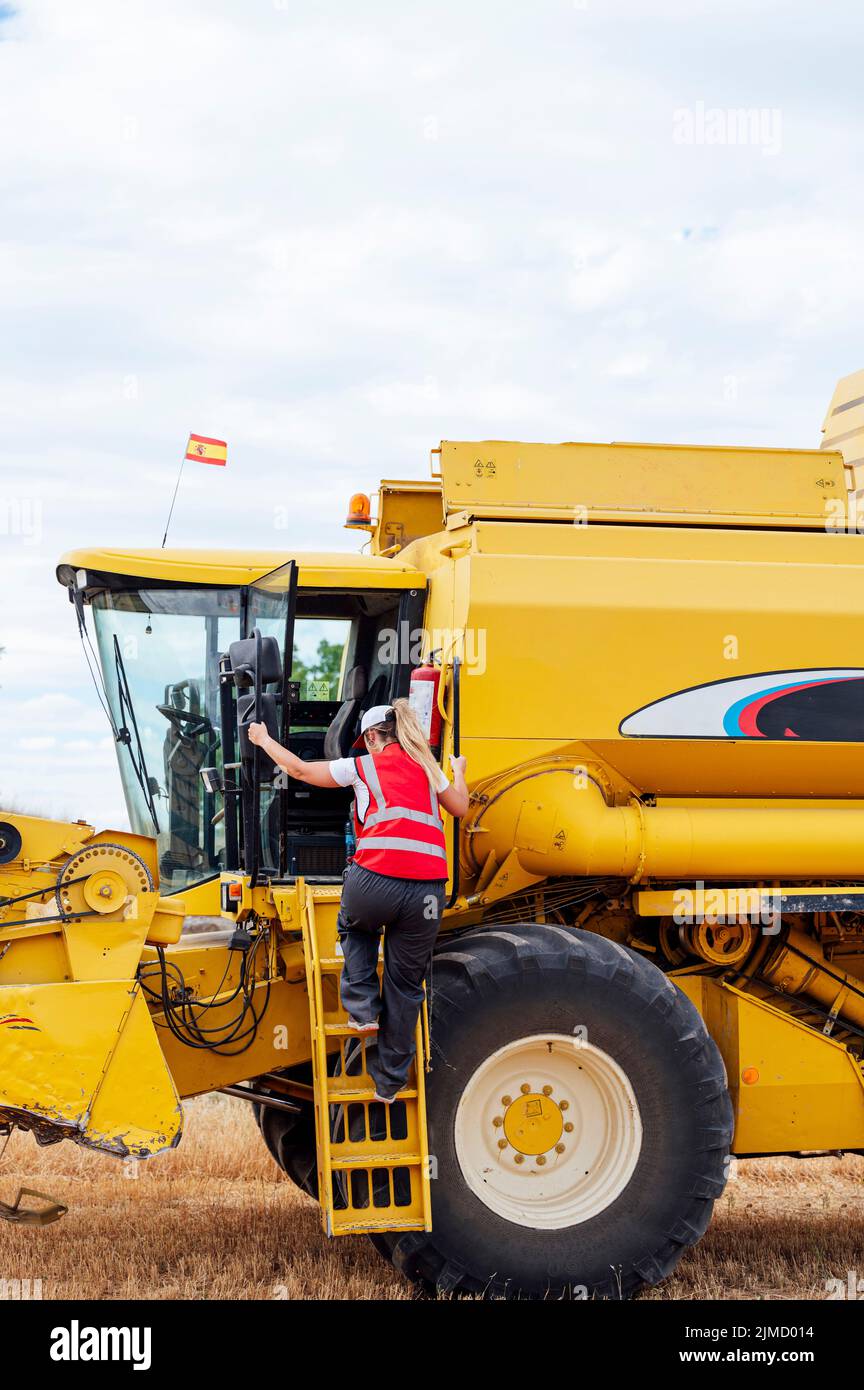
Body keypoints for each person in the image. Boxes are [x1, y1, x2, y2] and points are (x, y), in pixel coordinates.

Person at [247, 698, 468, 1102]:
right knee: (405, 985)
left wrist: (263, 739)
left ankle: (363, 1010)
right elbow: (461, 807)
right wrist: (460, 773)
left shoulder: (363, 765)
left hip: (376, 881)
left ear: (370, 737)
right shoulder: (428, 768)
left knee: (354, 926)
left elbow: (298, 769)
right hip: (428, 893)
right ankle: (389, 1084)